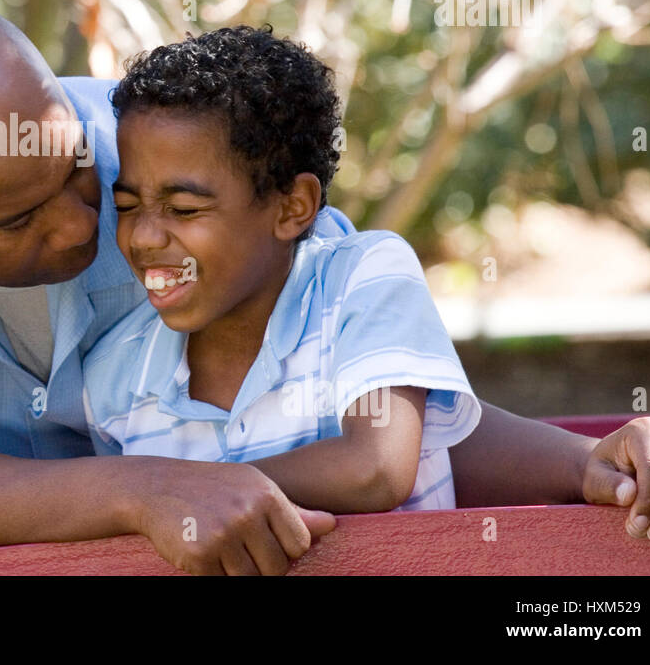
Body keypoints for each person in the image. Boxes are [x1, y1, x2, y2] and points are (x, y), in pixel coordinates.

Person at [0, 0, 650, 575]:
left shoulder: (135, 153)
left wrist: (579, 464)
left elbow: (349, 353)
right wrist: (142, 488)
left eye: (83, 183)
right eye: (18, 222)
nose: (85, 231)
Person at [84, 26, 479, 515]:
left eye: (184, 209)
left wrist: (176, 493)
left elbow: (376, 469)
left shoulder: (362, 282)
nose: (143, 237)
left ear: (293, 207)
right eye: (126, 206)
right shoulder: (112, 380)